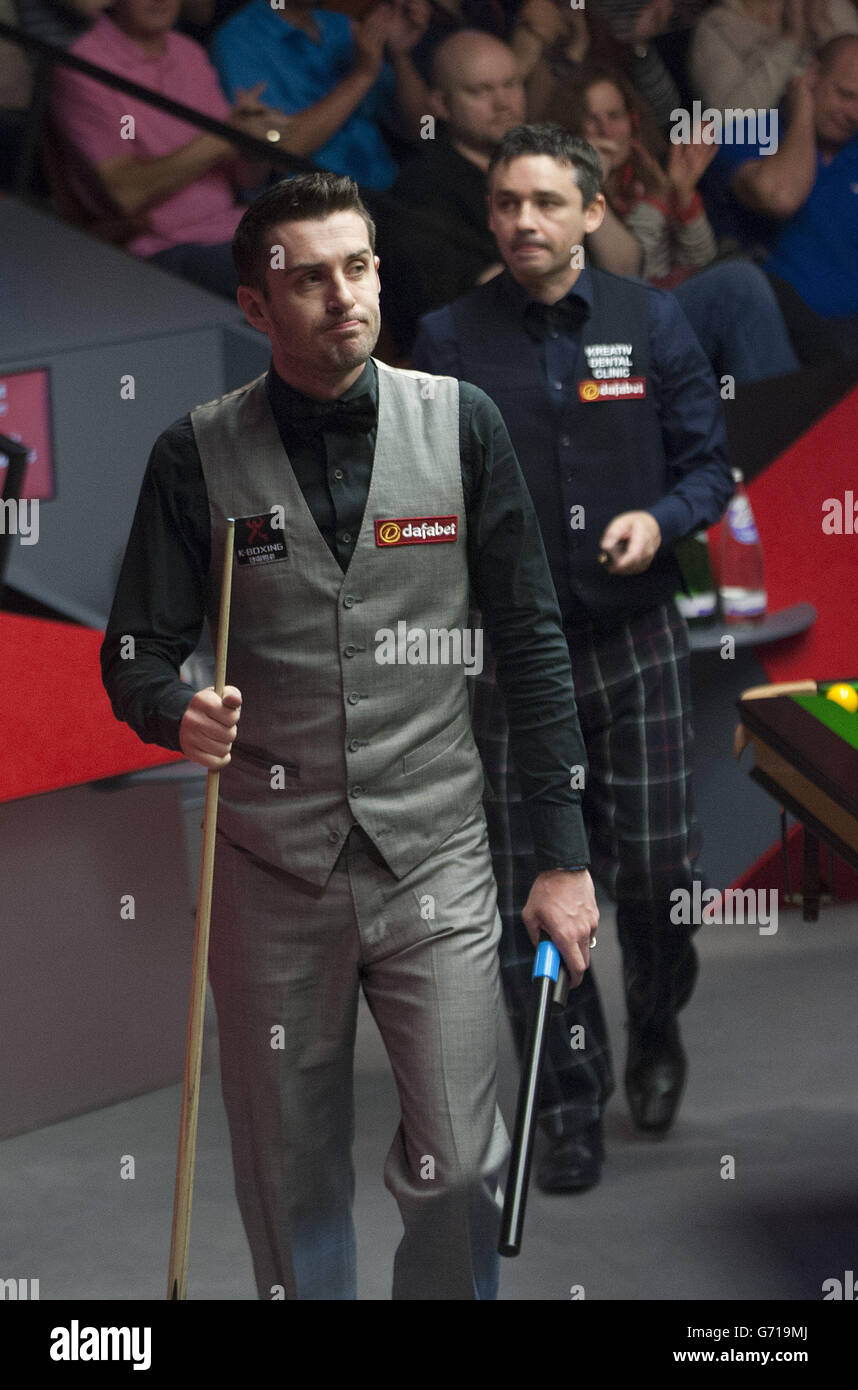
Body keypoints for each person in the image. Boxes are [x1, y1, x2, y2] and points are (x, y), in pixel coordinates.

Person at [100, 170, 600, 1298]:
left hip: (435, 851)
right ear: (254, 305)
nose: (343, 295)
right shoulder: (197, 455)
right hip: (269, 867)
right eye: (309, 277)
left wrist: (564, 856)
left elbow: (529, 640)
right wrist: (175, 706)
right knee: (290, 1173)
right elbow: (132, 649)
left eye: (359, 266)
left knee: (461, 1160)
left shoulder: (460, 424)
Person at [412, 124, 734, 1193]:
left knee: (654, 873)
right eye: (506, 203)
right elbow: (420, 493)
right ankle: (570, 1100)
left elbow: (708, 467)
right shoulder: (450, 336)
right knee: (533, 897)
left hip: (634, 637)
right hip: (513, 660)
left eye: (546, 203)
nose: (522, 222)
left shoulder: (655, 321)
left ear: (593, 213)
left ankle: (654, 1025)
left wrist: (661, 516)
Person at [49, 0, 290, 298]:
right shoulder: (82, 66)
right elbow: (125, 193)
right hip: (167, 247)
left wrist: (254, 143)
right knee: (298, 283)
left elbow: (245, 180)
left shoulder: (188, 52)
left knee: (351, 247)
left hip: (238, 226)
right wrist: (222, 138)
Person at [716, 33, 858, 359]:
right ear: (811, 75)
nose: (854, 113)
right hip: (780, 334)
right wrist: (803, 111)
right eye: (845, 94)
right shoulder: (750, 134)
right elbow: (780, 197)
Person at [209, 0, 432, 191]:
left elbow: (422, 130)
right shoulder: (239, 39)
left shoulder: (341, 25)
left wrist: (400, 57)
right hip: (312, 206)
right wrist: (362, 75)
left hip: (387, 193)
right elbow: (276, 150)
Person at [689, 0, 858, 113]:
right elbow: (732, 115)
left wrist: (822, 32)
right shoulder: (715, 28)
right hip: (760, 148)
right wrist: (792, 38)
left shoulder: (827, 7)